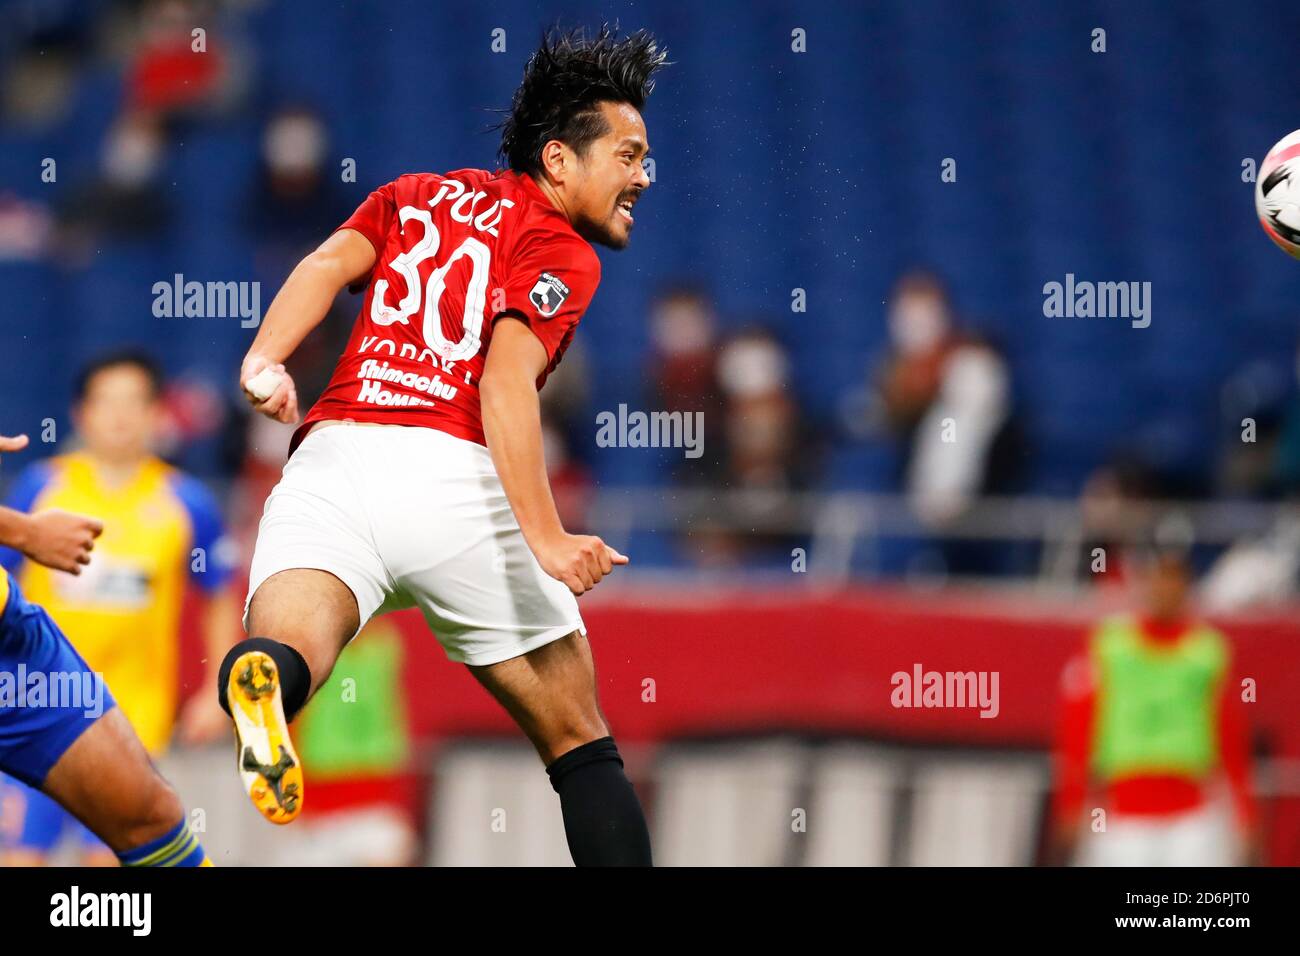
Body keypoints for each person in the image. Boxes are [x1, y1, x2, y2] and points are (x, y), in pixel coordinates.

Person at [219, 25, 665, 866]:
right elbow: (502, 387)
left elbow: (323, 263)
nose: (644, 175)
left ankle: (267, 683)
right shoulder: (558, 247)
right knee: (579, 743)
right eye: (629, 154)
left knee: (287, 652)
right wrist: (546, 536)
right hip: (447, 472)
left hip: (332, 459)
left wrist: (265, 358)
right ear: (560, 161)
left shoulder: (413, 193)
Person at [0, 352, 237, 865]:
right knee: (18, 860)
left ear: (157, 414)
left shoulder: (186, 501)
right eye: (106, 402)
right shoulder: (41, 488)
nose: (120, 416)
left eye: (134, 402)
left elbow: (218, 594)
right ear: (80, 413)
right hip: (30, 703)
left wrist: (216, 690)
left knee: (108, 871)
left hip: (130, 719)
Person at [1050, 546, 1258, 866]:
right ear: (1144, 583)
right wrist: (1073, 803)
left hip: (1192, 820)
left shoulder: (1208, 652)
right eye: (1159, 577)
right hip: (1122, 817)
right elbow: (1079, 730)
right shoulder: (1109, 646)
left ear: (1188, 586)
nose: (1166, 589)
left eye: (1175, 579)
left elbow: (1232, 738)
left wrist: (1245, 814)